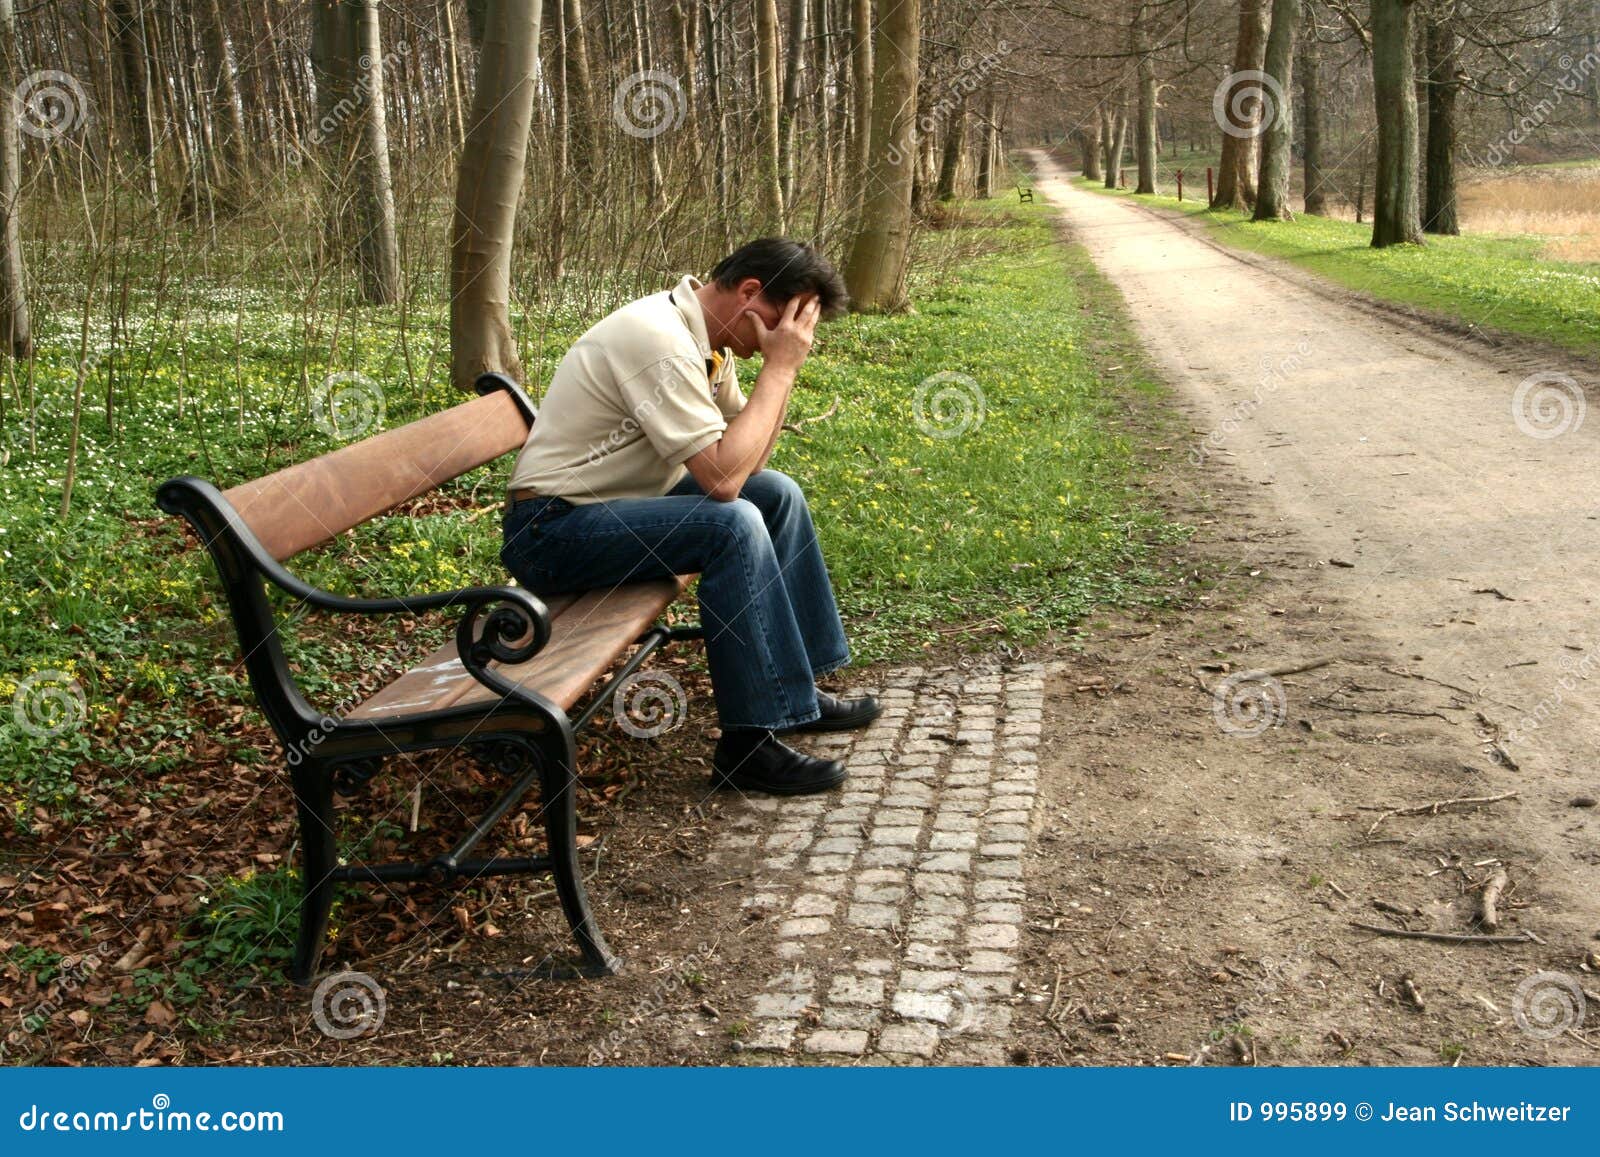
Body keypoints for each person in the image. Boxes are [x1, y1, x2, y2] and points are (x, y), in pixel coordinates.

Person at [500, 239, 878, 796]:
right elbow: (723, 483)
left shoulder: (705, 340)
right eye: (785, 319)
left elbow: (750, 463)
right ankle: (746, 748)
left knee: (773, 493)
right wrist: (779, 368)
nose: (789, 335)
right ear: (750, 293)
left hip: (616, 509)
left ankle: (796, 686)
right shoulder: (659, 341)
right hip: (552, 531)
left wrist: (783, 372)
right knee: (733, 524)